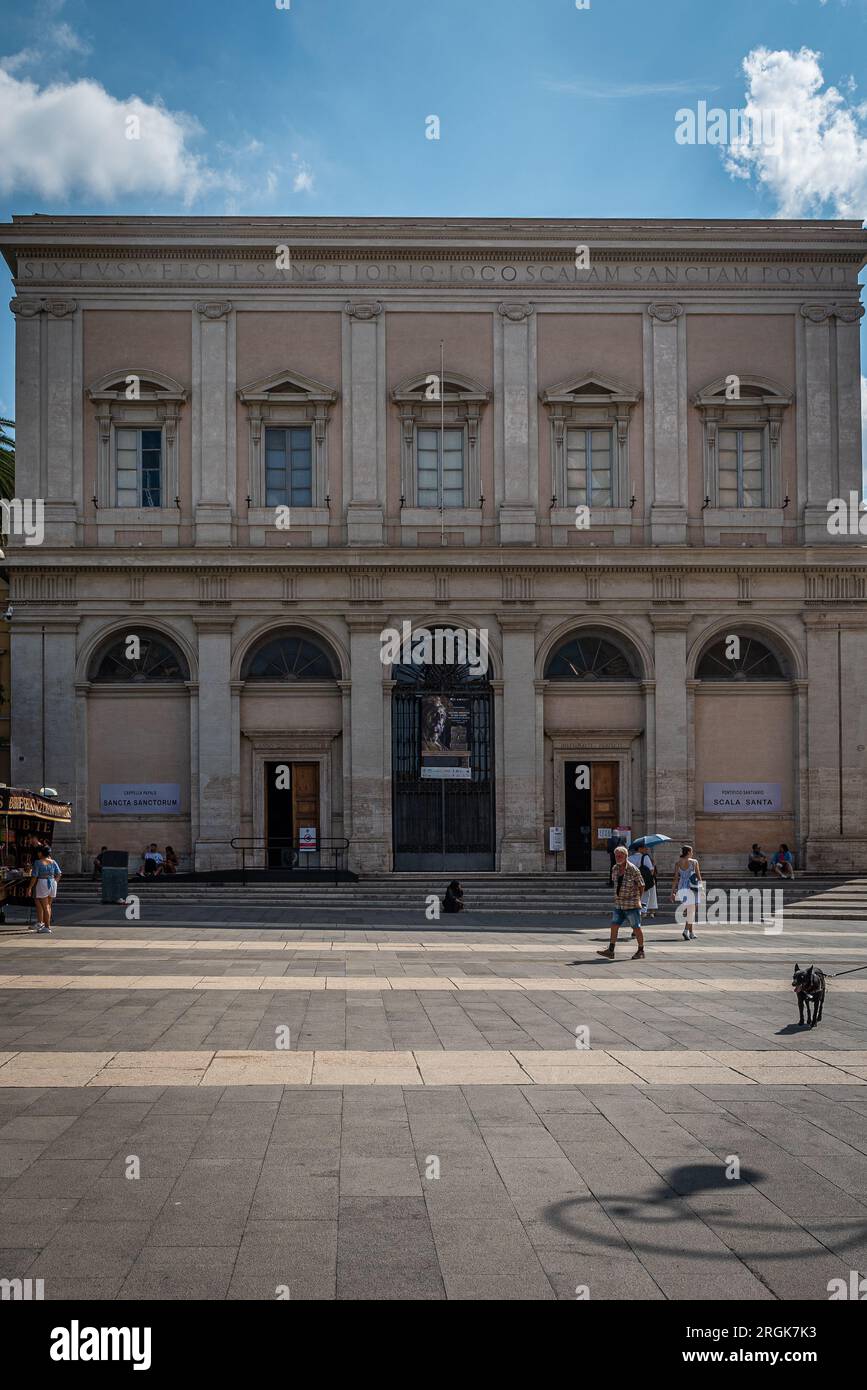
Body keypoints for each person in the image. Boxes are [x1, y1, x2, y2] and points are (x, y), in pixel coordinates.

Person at [597, 845, 645, 961]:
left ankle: (641, 950)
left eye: (620, 855)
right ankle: (611, 950)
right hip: (619, 903)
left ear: (626, 856)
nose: (618, 857)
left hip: (631, 904)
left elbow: (641, 885)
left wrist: (639, 899)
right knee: (614, 926)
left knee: (636, 927)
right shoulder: (615, 868)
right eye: (616, 855)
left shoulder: (633, 869)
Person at [671, 844, 704, 940]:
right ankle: (686, 931)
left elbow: (675, 878)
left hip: (682, 887)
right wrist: (702, 889)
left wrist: (672, 892)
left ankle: (691, 932)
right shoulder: (694, 862)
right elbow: (698, 876)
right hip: (692, 887)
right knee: (691, 911)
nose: (692, 853)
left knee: (690, 910)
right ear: (688, 852)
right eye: (692, 851)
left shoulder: (678, 863)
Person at [29, 846, 61, 934]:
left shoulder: (38, 862)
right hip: (52, 882)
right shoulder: (53, 862)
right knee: (48, 906)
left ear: (41, 853)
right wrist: (55, 882)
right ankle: (45, 925)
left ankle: (47, 926)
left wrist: (30, 887)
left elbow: (34, 876)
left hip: (42, 883)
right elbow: (59, 874)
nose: (38, 853)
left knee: (45, 906)